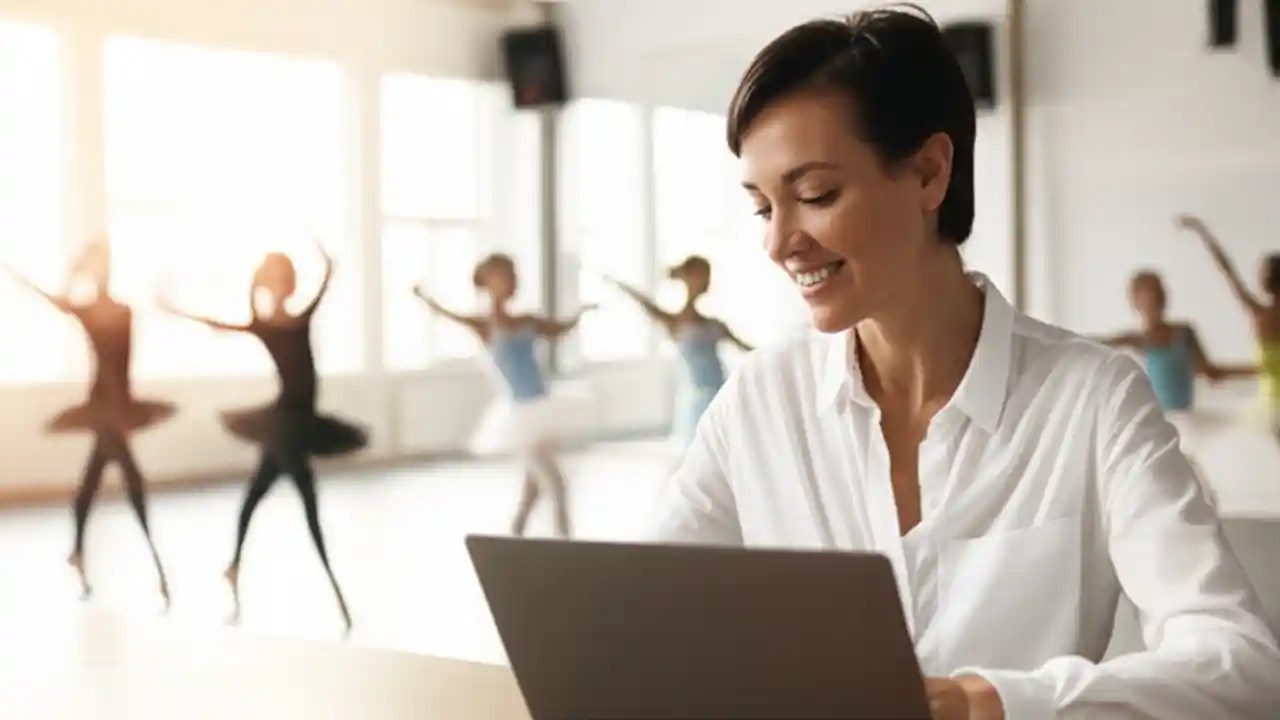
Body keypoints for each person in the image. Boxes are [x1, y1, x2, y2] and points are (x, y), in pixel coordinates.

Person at [647, 8, 1280, 719]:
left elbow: (1240, 663)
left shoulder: (1092, 401)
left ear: (928, 173)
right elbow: (649, 619)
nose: (780, 243)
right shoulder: (759, 402)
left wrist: (994, 701)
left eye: (816, 195)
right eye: (765, 207)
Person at [160, 235, 365, 631]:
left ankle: (234, 566)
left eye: (285, 278)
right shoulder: (266, 326)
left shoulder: (299, 319)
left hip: (297, 424)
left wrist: (319, 247)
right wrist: (178, 306)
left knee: (255, 497)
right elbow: (218, 323)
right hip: (286, 427)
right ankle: (332, 587)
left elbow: (328, 275)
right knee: (305, 502)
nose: (283, 285)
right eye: (276, 279)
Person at [5, 241, 174, 604]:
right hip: (107, 412)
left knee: (99, 487)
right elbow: (57, 302)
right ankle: (150, 568)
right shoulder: (104, 311)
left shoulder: (118, 312)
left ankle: (84, 553)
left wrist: (119, 411)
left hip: (111, 411)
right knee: (124, 487)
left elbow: (120, 363)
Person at [415, 253, 591, 538]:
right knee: (554, 483)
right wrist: (424, 297)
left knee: (533, 485)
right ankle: (566, 541)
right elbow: (445, 313)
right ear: (489, 282)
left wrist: (582, 313)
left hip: (542, 407)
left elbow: (559, 329)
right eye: (506, 276)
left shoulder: (527, 320)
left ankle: (517, 531)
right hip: (521, 417)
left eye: (514, 276)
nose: (513, 282)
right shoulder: (485, 325)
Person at [1101, 270, 1253, 469]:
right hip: (1161, 421)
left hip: (1187, 420)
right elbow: (1090, 344)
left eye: (1156, 299)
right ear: (1135, 304)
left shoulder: (1184, 332)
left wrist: (1258, 370)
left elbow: (1212, 373)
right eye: (1145, 301)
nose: (1152, 306)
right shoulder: (1136, 340)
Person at [607, 257, 753, 448]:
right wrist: (616, 283)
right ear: (690, 278)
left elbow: (750, 350)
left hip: (721, 398)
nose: (708, 281)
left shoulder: (715, 324)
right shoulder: (676, 323)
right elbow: (645, 304)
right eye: (703, 275)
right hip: (697, 401)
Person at [1178, 214, 1280, 438]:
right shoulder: (1260, 313)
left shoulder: (1260, 315)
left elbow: (1228, 271)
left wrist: (1202, 232)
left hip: (1272, 410)